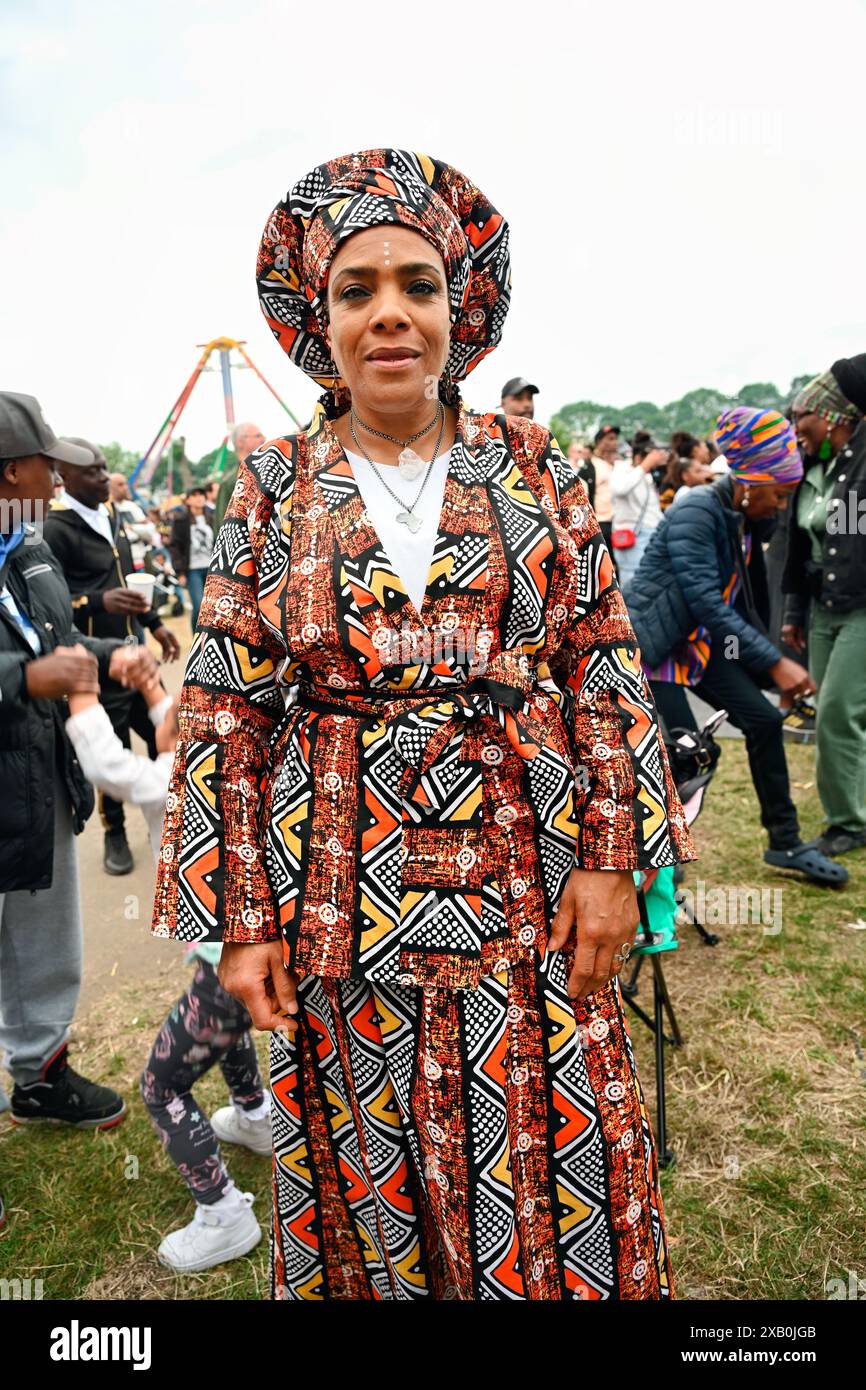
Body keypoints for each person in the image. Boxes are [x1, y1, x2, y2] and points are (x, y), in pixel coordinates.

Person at [153, 148, 694, 1302]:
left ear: (462, 306)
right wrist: (239, 920)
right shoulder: (273, 486)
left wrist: (612, 860)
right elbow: (225, 711)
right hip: (340, 897)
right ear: (319, 316)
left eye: (417, 284)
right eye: (357, 290)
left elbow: (599, 665)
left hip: (530, 878)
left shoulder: (534, 465)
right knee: (367, 1182)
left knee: (554, 1156)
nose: (389, 312)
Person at [64, 664, 270, 1272]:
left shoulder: (170, 779)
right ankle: (255, 1115)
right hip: (243, 961)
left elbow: (108, 767)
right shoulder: (229, 765)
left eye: (170, 707)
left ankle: (223, 1213)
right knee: (227, 1034)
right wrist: (156, 690)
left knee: (162, 1086)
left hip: (226, 964)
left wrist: (81, 693)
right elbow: (178, 726)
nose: (162, 712)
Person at [0, 391, 158, 1138]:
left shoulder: (26, 547)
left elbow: (51, 643)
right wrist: (24, 682)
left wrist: (110, 655)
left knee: (45, 939)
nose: (56, 483)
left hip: (35, 779)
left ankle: (41, 1075)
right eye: (43, 467)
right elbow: (29, 667)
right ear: (9, 474)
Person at [624, 405, 845, 888]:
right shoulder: (695, 510)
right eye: (780, 494)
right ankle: (656, 855)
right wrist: (779, 666)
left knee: (764, 721)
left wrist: (769, 673)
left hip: (701, 649)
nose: (782, 505)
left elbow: (741, 605)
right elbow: (707, 602)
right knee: (686, 751)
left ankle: (784, 841)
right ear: (749, 480)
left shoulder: (744, 516)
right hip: (656, 648)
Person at [42, 441, 181, 875]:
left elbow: (127, 581)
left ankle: (170, 826)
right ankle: (115, 832)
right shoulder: (53, 528)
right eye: (95, 473)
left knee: (170, 737)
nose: (105, 479)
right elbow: (52, 605)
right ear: (65, 478)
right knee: (113, 750)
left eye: (105, 469)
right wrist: (98, 602)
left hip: (135, 654)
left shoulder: (113, 514)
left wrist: (156, 623)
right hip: (100, 663)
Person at [784, 356, 866, 855]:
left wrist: (837, 369)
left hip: (861, 606)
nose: (796, 430)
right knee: (838, 712)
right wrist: (794, 611)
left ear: (832, 416)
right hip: (820, 609)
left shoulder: (863, 456)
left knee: (837, 711)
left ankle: (847, 823)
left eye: (801, 418)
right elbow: (797, 546)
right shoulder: (812, 467)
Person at [610, 434, 668, 588]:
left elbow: (652, 508)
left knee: (650, 585)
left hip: (652, 533)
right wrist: (644, 466)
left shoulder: (646, 474)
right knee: (632, 586)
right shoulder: (621, 468)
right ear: (639, 457)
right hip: (632, 537)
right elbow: (619, 489)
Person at [168, 485, 215, 630]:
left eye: (201, 494)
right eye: (194, 495)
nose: (199, 498)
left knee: (212, 605)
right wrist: (180, 572)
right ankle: (197, 637)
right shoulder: (181, 520)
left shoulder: (212, 517)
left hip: (212, 568)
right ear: (188, 500)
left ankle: (209, 639)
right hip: (192, 569)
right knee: (198, 605)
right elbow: (175, 547)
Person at [213, 423, 266, 530]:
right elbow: (224, 527)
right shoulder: (230, 482)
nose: (263, 439)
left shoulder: (267, 473)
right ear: (240, 442)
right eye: (257, 436)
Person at [109, 471, 160, 570]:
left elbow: (150, 531)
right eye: (120, 484)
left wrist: (131, 527)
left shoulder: (132, 507)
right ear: (110, 487)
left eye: (125, 484)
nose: (125, 487)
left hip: (137, 558)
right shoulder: (105, 508)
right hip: (116, 561)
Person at [589, 423, 618, 550]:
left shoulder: (619, 463)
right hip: (601, 522)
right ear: (600, 442)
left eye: (615, 438)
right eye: (610, 438)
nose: (615, 442)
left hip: (617, 522)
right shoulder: (589, 466)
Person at [566, 438, 595, 508]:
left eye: (582, 452)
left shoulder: (584, 469)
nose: (581, 454)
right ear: (570, 452)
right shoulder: (564, 467)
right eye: (579, 451)